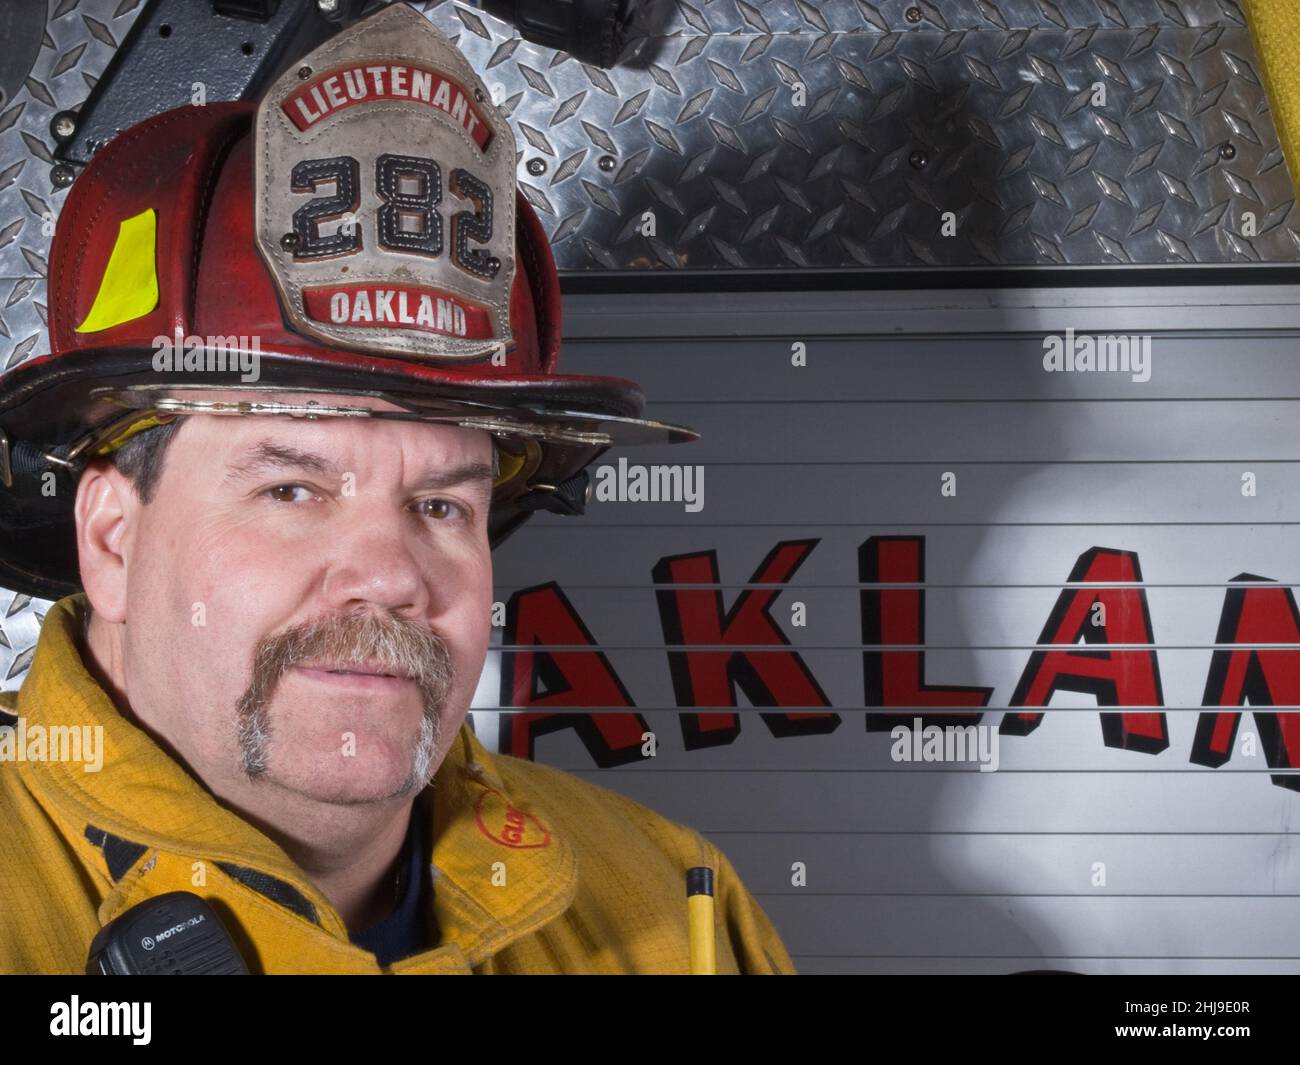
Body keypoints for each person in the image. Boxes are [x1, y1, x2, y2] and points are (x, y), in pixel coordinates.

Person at [0, 4, 795, 974]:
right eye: (291, 490)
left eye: (441, 506)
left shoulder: (673, 906)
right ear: (116, 539)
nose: (391, 577)